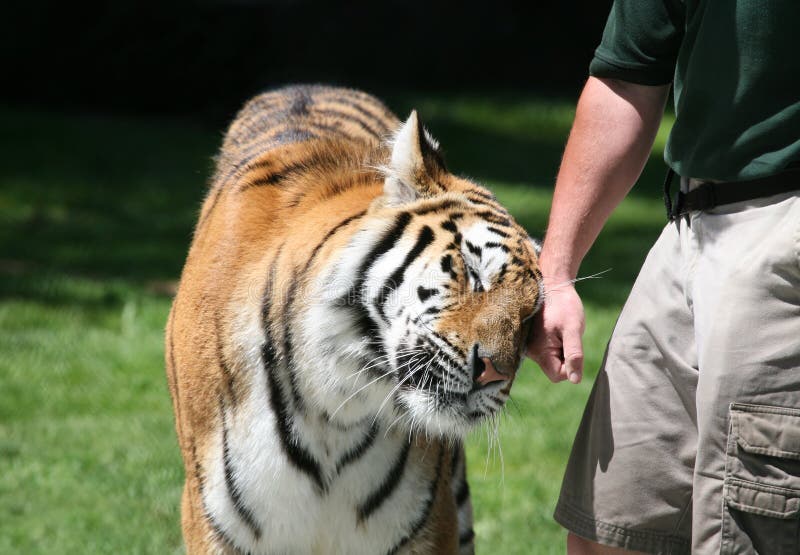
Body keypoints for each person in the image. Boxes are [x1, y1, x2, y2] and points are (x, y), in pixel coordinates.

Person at [527, 1, 800, 553]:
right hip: (690, 222)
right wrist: (555, 274)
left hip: (785, 227)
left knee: (742, 535)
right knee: (608, 531)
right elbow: (628, 76)